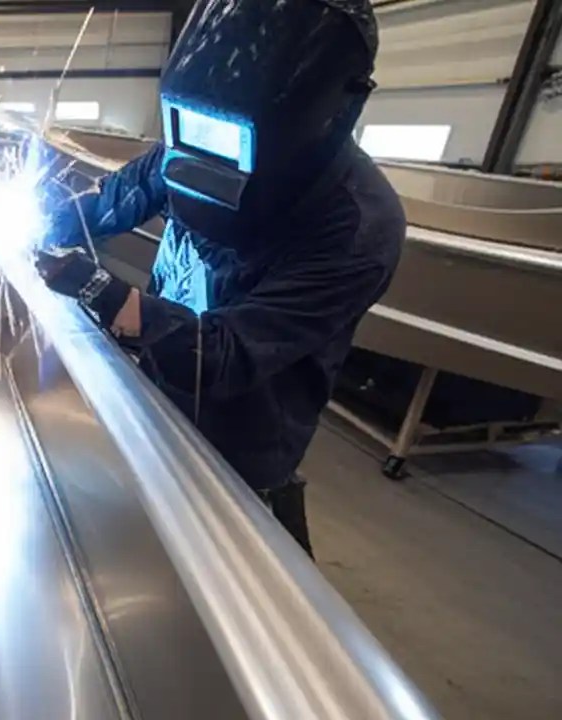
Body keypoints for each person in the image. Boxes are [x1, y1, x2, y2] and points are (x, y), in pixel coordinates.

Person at [35, 0, 405, 557]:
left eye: (227, 144)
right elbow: (116, 200)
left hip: (237, 452)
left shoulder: (356, 227)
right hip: (150, 395)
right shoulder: (199, 134)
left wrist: (96, 289)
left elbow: (225, 356)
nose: (203, 156)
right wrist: (44, 219)